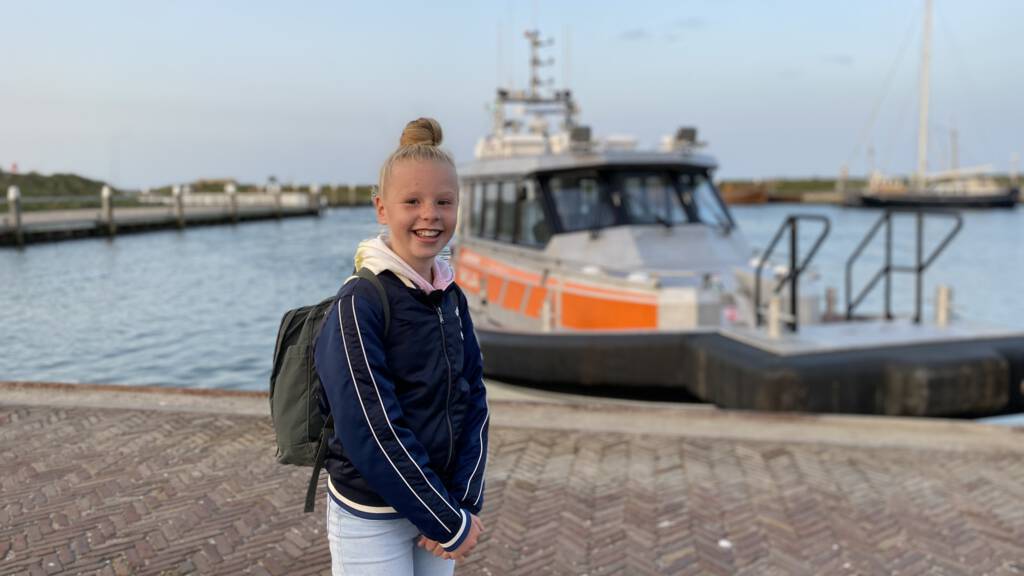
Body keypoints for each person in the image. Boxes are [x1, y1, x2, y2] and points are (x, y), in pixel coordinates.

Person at [314, 117, 489, 575]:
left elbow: (473, 398)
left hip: (440, 507)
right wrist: (447, 519)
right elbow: (370, 427)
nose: (430, 214)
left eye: (443, 202)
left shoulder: (450, 297)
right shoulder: (360, 302)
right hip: (373, 515)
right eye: (412, 201)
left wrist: (464, 501)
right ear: (382, 209)